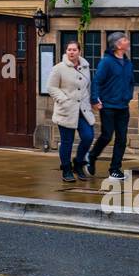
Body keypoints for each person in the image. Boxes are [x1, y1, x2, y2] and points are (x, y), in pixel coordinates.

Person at [83, 31, 135, 181]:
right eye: (125, 40)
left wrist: (128, 96)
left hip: (123, 106)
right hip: (108, 105)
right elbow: (97, 81)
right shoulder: (106, 62)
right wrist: (94, 99)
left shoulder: (128, 62)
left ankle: (115, 169)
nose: (128, 42)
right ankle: (91, 157)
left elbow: (131, 81)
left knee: (122, 138)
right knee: (107, 135)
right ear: (118, 45)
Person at [46, 40, 97, 182]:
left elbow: (87, 87)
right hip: (67, 110)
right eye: (69, 50)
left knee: (88, 136)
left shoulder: (85, 66)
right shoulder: (59, 68)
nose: (72, 52)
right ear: (66, 51)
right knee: (67, 141)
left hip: (83, 111)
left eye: (74, 50)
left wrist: (92, 101)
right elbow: (51, 87)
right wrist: (64, 100)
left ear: (79, 51)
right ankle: (66, 169)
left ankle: (78, 163)